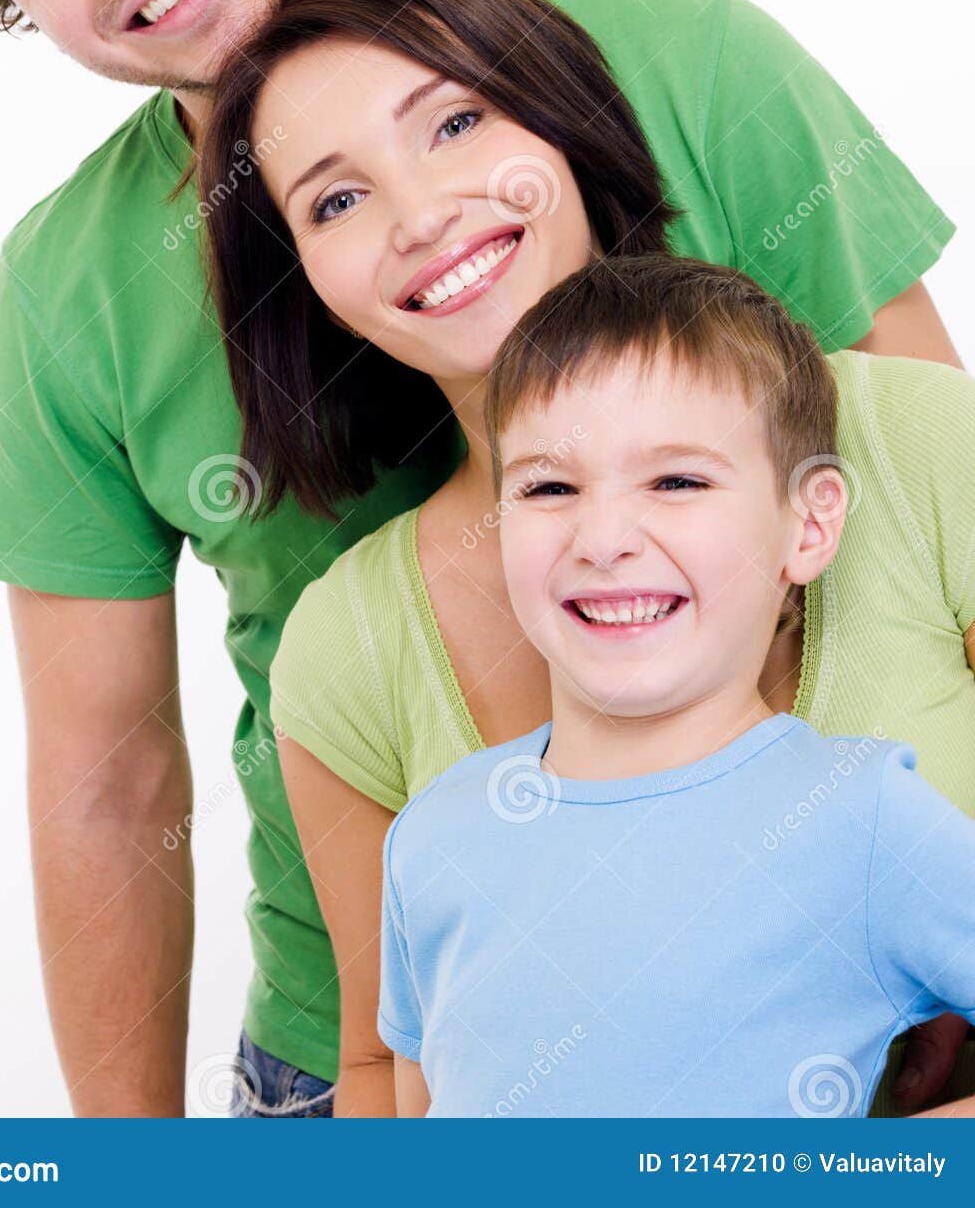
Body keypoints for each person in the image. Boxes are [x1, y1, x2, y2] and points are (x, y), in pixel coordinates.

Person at [0, 0, 960, 1119]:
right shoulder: (70, 295)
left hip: (869, 992)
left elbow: (937, 532)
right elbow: (109, 785)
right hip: (380, 1039)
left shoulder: (690, 55)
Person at [199, 0, 975, 1116]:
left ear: (563, 125)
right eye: (337, 199)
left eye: (455, 122)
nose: (419, 214)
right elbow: (382, 1069)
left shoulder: (915, 437)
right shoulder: (346, 649)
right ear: (302, 275)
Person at [377, 254, 975, 1119]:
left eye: (677, 481)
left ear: (809, 524)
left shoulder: (860, 814)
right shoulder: (433, 834)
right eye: (549, 486)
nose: (604, 536)